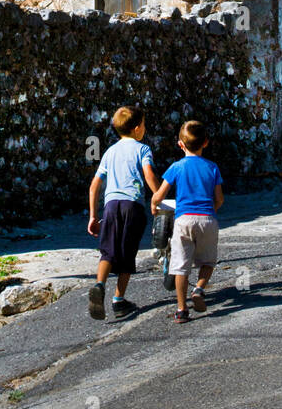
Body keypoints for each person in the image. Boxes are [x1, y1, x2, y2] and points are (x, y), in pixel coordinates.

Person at [87, 105, 159, 319]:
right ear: (137, 129)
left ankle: (99, 285)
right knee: (127, 253)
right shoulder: (142, 149)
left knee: (108, 250)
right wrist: (160, 195)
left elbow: (94, 185)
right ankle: (118, 300)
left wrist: (92, 215)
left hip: (110, 206)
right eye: (144, 125)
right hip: (132, 206)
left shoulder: (110, 151)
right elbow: (148, 175)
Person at [150, 120, 223, 323]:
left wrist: (154, 205)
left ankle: (182, 310)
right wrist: (210, 211)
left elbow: (160, 193)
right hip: (208, 219)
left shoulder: (176, 167)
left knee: (180, 267)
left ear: (180, 144)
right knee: (208, 262)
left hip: (183, 221)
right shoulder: (212, 167)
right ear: (205, 142)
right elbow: (220, 198)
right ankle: (199, 289)